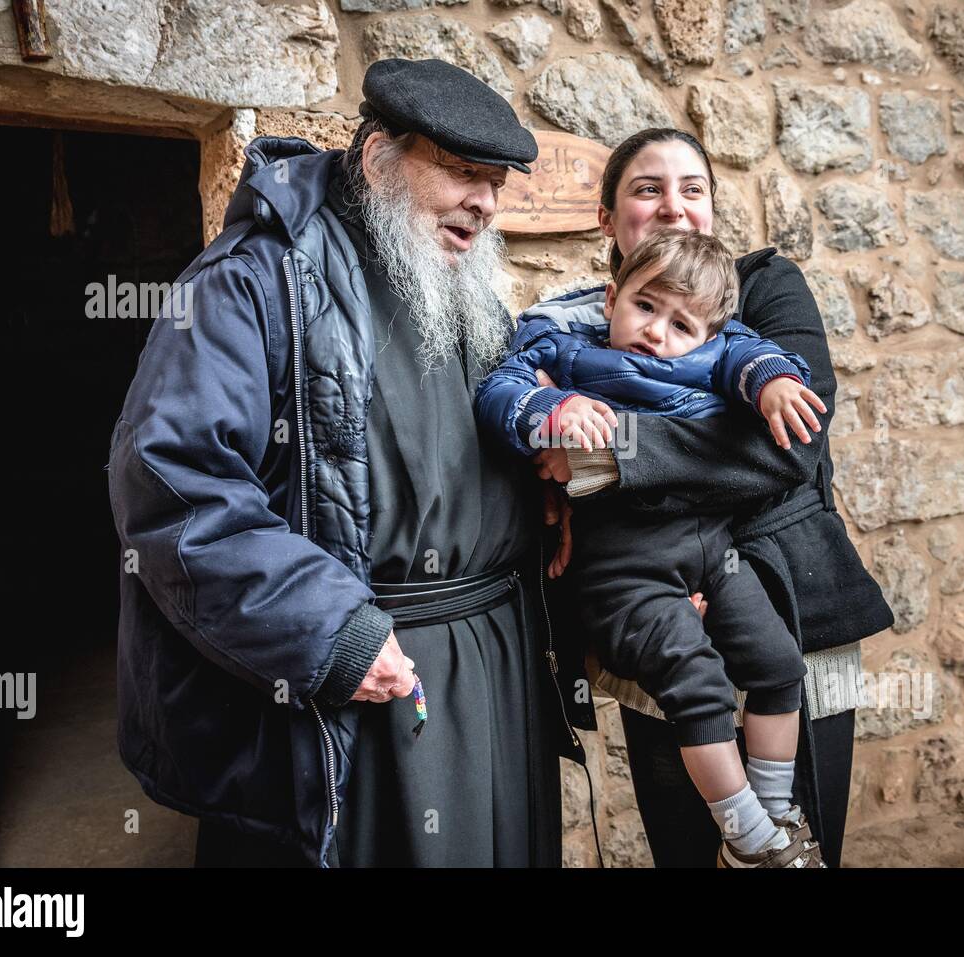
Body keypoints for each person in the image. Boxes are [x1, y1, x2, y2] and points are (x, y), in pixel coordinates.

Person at [107, 58, 591, 868]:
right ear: (378, 161)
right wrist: (330, 631)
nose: (485, 201)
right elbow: (170, 483)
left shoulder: (467, 285)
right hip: (361, 680)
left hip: (496, 671)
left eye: (496, 182)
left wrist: (548, 491)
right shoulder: (249, 282)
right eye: (463, 172)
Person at [531, 128, 894, 867]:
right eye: (647, 189)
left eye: (692, 189)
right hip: (652, 601)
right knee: (687, 850)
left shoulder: (765, 288)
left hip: (786, 597)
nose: (673, 207)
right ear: (607, 220)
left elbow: (788, 447)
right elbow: (526, 439)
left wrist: (605, 458)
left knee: (792, 850)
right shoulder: (571, 327)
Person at [477, 228, 827, 867]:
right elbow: (499, 391)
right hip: (623, 568)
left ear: (711, 333)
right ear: (612, 298)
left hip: (713, 555)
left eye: (681, 323)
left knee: (780, 667)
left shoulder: (725, 350)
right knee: (700, 688)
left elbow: (756, 363)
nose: (657, 331)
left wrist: (774, 384)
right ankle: (748, 837)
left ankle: (775, 820)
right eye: (644, 306)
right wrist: (551, 410)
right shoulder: (567, 347)